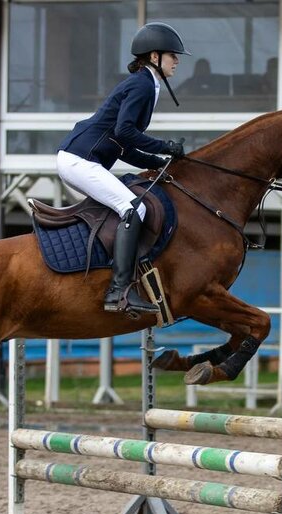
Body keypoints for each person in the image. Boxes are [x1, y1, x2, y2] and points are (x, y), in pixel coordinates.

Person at [56, 22, 189, 315]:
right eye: (173, 55)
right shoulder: (142, 85)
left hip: (80, 158)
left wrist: (157, 163)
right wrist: (165, 147)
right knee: (134, 209)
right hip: (80, 160)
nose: (177, 60)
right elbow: (125, 131)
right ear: (155, 57)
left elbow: (125, 147)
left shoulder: (147, 84)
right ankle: (118, 291)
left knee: (127, 206)